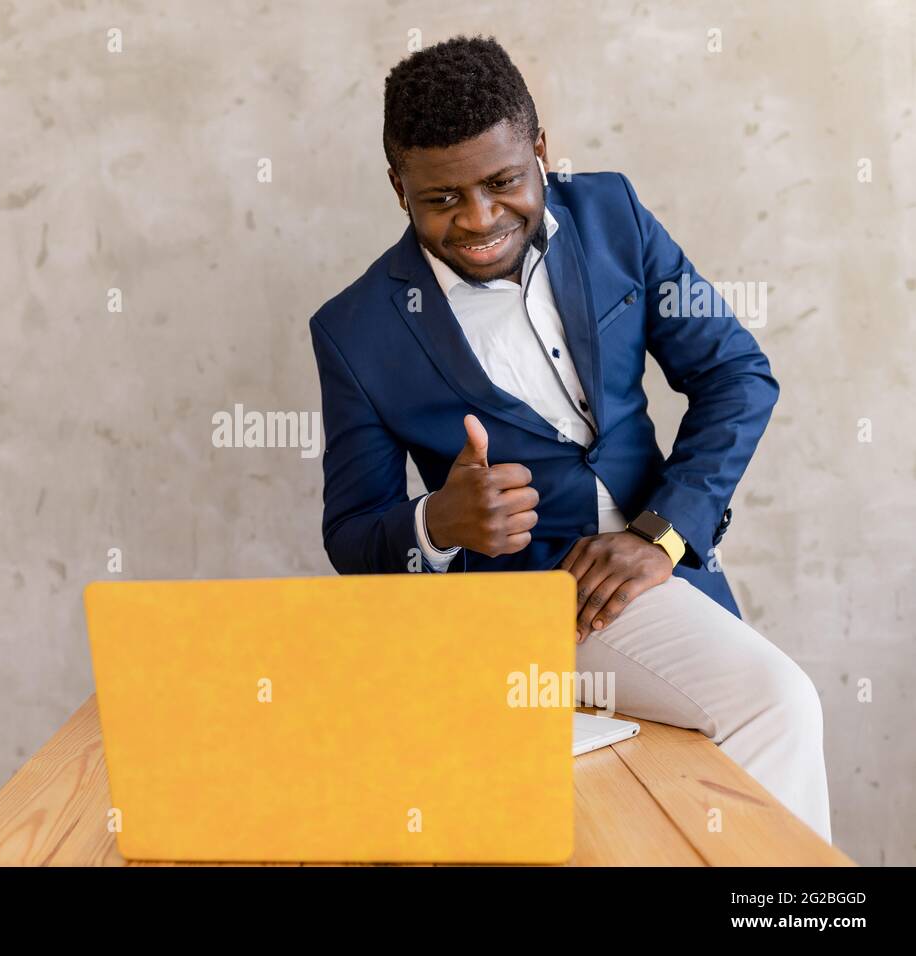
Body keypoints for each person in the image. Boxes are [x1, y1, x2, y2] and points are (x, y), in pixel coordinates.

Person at [308, 34, 831, 842]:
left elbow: (736, 375)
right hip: (524, 612)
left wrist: (661, 535)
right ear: (397, 187)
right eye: (441, 198)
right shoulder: (355, 330)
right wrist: (437, 525)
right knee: (776, 701)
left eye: (504, 182)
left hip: (665, 580)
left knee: (754, 735)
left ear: (542, 151)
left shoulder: (613, 215)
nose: (479, 220)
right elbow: (352, 534)